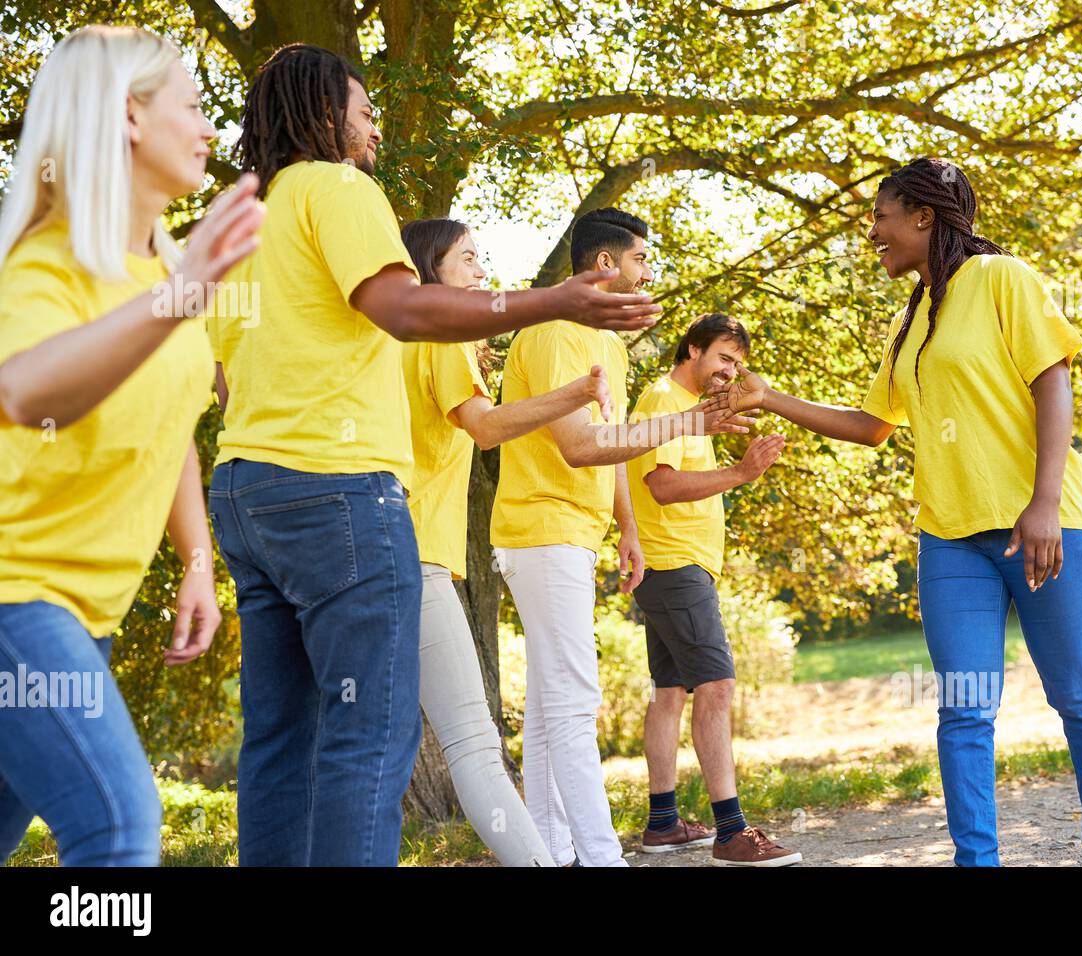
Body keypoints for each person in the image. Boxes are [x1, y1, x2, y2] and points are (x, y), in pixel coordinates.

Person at [206, 44, 661, 868]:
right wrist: (553, 298)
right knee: (368, 735)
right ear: (321, 112)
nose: (374, 122)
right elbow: (404, 308)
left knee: (279, 744)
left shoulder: (243, 222)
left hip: (246, 492)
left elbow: (224, 380)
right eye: (363, 106)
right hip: (337, 492)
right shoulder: (337, 187)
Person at [717, 157, 1082, 867]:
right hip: (951, 542)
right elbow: (873, 424)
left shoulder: (1003, 279)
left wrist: (1046, 502)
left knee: (1077, 694)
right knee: (964, 708)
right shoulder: (913, 318)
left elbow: (1052, 381)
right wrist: (770, 399)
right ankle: (977, 861)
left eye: (881, 216)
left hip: (1042, 527)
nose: (871, 230)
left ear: (923, 216)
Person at [0, 25, 264, 866]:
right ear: (127, 116)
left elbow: (173, 418)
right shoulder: (46, 269)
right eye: (192, 105)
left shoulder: (156, 277)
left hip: (82, 617)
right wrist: (186, 290)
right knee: (117, 827)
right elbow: (23, 389)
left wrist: (196, 560)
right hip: (15, 599)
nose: (209, 128)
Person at [490, 208, 752, 867]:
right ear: (605, 265)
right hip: (540, 527)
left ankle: (550, 854)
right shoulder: (554, 330)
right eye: (640, 260)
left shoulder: (608, 344)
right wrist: (690, 421)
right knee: (575, 701)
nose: (648, 273)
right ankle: (601, 856)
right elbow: (580, 447)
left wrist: (627, 529)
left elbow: (612, 450)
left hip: (577, 532)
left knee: (555, 707)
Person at [400, 218, 624, 867]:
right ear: (431, 271)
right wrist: (576, 392)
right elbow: (489, 429)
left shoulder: (390, 337)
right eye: (467, 260)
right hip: (413, 554)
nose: (481, 273)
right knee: (473, 744)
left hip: (372, 546)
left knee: (357, 742)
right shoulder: (441, 336)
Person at [628, 313, 799, 866]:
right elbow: (664, 486)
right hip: (675, 567)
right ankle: (731, 831)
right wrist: (742, 474)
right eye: (724, 358)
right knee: (718, 688)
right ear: (694, 349)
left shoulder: (685, 412)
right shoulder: (663, 402)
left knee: (670, 693)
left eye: (737, 363)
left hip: (672, 568)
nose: (731, 371)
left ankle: (663, 823)